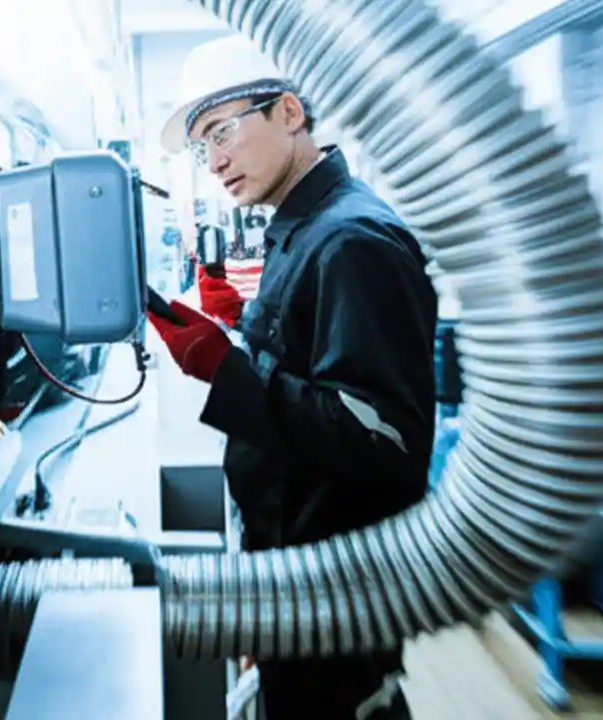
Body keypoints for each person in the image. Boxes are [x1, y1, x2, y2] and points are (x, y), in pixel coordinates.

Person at [145, 37, 437, 720]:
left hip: (337, 588)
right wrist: (244, 321)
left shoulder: (351, 241)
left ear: (290, 112)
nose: (213, 161)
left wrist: (225, 371)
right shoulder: (301, 229)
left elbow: (386, 443)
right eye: (200, 147)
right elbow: (316, 367)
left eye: (222, 131)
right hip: (293, 574)